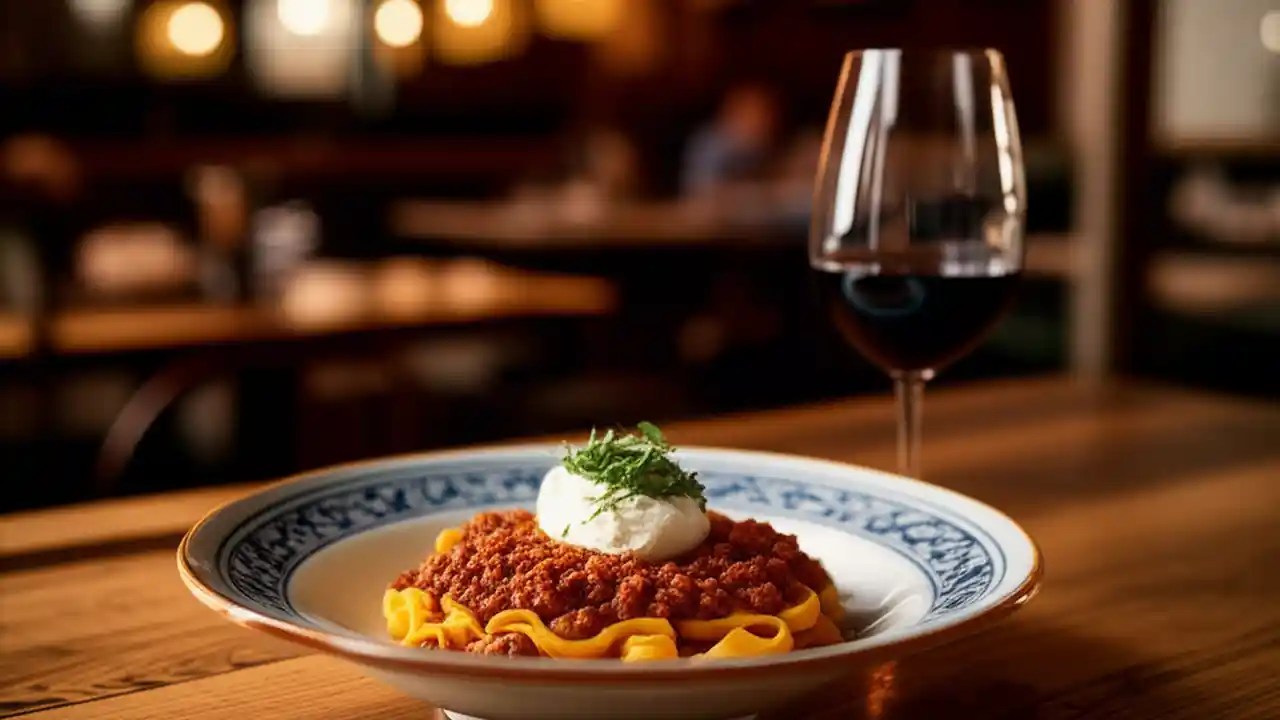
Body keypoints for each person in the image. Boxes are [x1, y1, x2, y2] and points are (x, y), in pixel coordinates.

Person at [681, 83, 781, 196]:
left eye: (765, 116)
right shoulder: (711, 146)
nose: (762, 124)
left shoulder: (760, 150)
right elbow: (699, 189)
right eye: (752, 115)